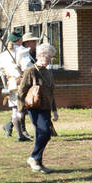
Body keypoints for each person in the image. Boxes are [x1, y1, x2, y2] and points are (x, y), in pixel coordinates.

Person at [18, 42, 59, 173]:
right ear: (40, 56)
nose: (50, 59)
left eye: (51, 57)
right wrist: (20, 111)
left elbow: (51, 92)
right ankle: (34, 157)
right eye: (49, 56)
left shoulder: (48, 72)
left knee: (42, 134)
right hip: (34, 107)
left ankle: (38, 163)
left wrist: (54, 110)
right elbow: (21, 91)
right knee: (45, 133)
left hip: (46, 108)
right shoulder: (31, 71)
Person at [0, 32, 33, 142]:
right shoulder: (22, 51)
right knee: (22, 109)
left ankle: (18, 132)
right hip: (21, 82)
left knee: (15, 109)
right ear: (19, 40)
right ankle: (22, 133)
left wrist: (5, 74)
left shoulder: (4, 54)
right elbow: (27, 67)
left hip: (11, 83)